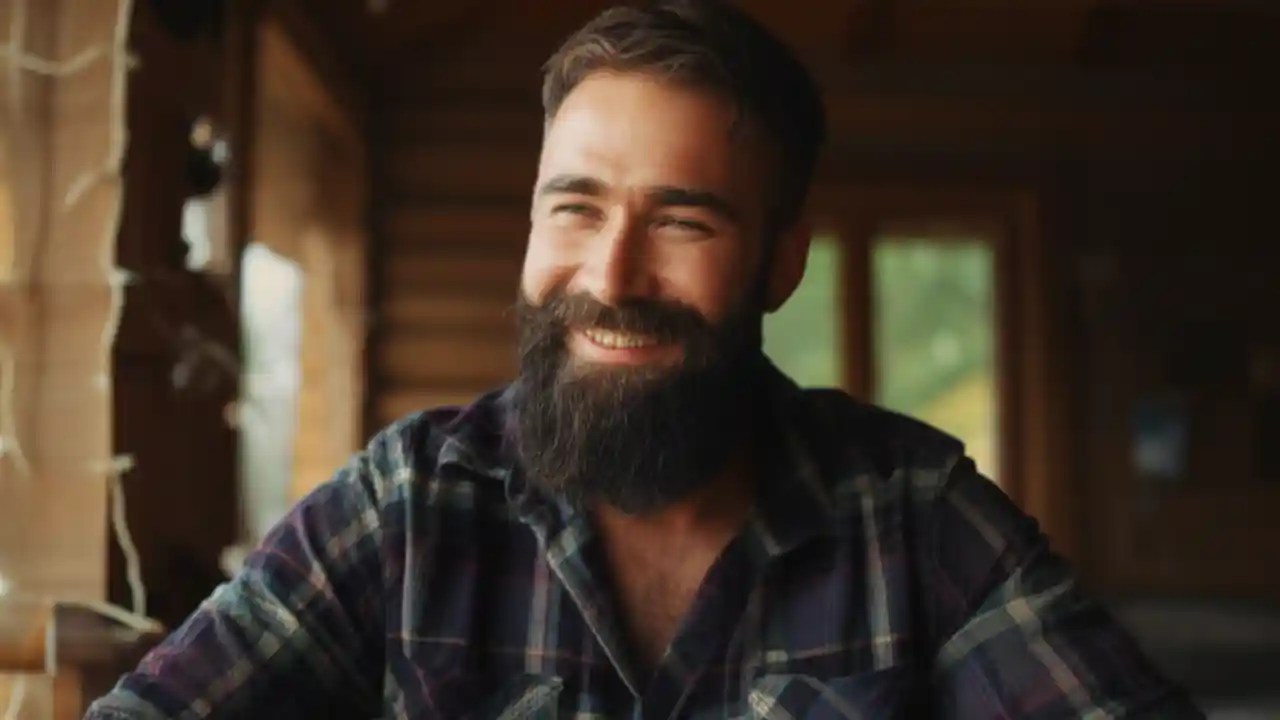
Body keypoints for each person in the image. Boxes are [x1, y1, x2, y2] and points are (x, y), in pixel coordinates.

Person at [88, 1, 1202, 717]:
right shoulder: (409, 503)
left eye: (682, 223)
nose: (611, 275)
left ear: (777, 262)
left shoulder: (912, 514)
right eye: (574, 208)